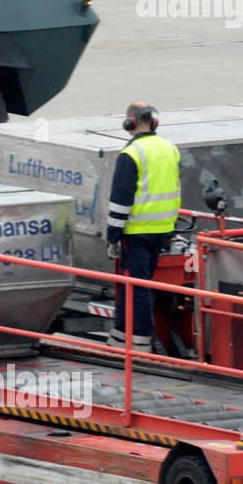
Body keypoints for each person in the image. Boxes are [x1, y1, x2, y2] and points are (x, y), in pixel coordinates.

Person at [105, 102, 181, 354]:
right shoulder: (170, 149)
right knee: (134, 283)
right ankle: (119, 337)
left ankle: (139, 343)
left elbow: (120, 199)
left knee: (137, 285)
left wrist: (113, 235)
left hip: (136, 231)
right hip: (163, 229)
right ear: (154, 122)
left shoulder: (132, 153)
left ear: (130, 123)